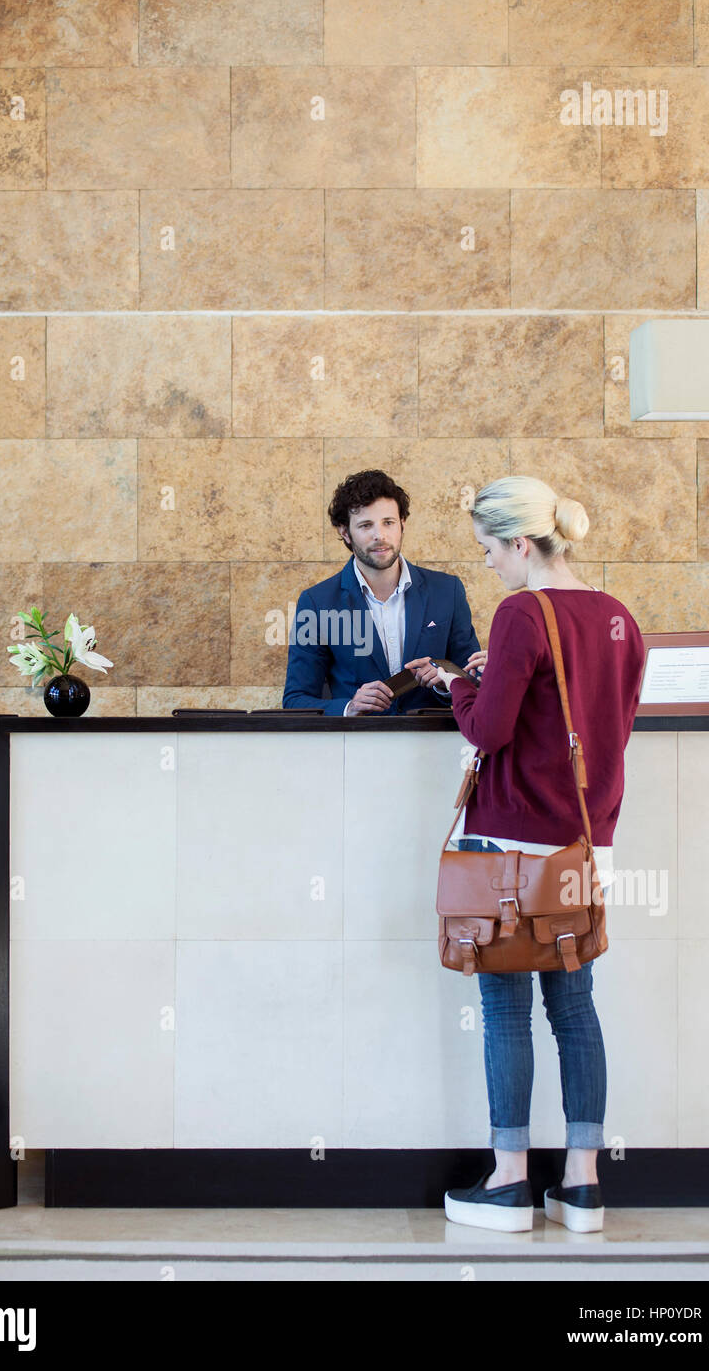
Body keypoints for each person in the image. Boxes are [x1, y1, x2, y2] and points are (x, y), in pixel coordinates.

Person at [430, 476, 645, 1234]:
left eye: (489, 549)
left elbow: (489, 732)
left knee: (505, 1011)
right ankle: (582, 1186)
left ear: (521, 543)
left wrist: (460, 684)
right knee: (575, 1009)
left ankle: (510, 1180)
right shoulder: (618, 617)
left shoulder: (522, 612)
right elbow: (607, 727)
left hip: (511, 842)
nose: (488, 563)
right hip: (584, 844)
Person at [282, 469, 485, 714]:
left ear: (402, 524)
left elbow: (476, 680)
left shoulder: (447, 591)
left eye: (388, 522)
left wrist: (447, 682)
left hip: (430, 735)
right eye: (366, 525)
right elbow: (295, 700)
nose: (380, 535)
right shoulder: (317, 602)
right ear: (345, 532)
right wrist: (349, 707)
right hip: (357, 737)